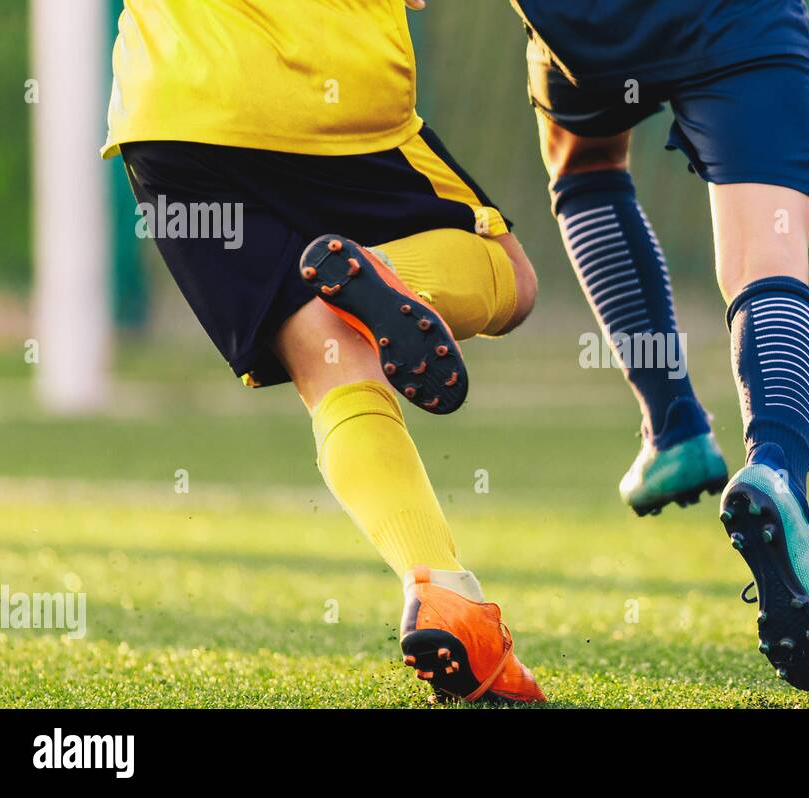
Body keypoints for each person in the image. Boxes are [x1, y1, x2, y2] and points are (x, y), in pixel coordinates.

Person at [103, 0, 543, 703]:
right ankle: (395, 274)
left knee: (329, 354)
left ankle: (445, 591)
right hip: (331, 102)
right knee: (509, 277)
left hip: (176, 108)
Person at [511, 0, 809, 689]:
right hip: (731, 19)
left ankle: (674, 425)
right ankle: (775, 470)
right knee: (767, 257)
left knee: (583, 161)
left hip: (588, 28)